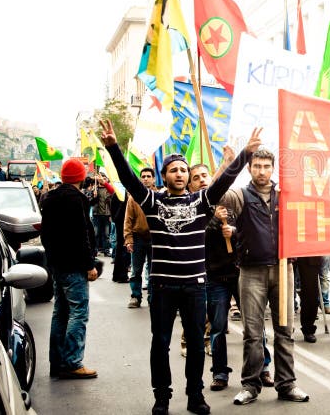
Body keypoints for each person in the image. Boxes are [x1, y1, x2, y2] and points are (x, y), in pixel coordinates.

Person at [100, 119, 262, 415]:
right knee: (160, 343)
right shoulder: (151, 201)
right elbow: (128, 178)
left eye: (183, 170)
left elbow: (224, 180)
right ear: (164, 176)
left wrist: (246, 155)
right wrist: (112, 148)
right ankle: (162, 396)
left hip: (195, 286)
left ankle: (194, 396)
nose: (179, 173)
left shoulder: (202, 201)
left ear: (188, 177)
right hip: (162, 287)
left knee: (198, 347)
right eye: (173, 169)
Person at [228, 148, 310, 405]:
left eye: (266, 166)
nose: (261, 171)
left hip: (283, 268)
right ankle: (250, 385)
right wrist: (232, 163)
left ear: (273, 168)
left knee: (285, 330)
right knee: (253, 334)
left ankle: (287, 384)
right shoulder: (240, 195)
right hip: (251, 272)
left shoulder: (285, 196)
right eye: (256, 166)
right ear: (249, 169)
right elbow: (216, 196)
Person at [40, 158, 99, 379]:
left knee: (61, 313)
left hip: (57, 265)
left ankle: (57, 362)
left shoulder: (49, 198)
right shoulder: (77, 199)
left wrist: (53, 259)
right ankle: (73, 362)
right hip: (74, 266)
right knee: (78, 313)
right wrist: (89, 265)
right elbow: (81, 235)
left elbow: (45, 235)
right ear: (81, 177)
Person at [125, 167, 157, 309]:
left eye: (148, 176)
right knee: (136, 270)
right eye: (143, 176)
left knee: (154, 270)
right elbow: (128, 220)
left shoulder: (160, 196)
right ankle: (135, 296)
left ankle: (153, 297)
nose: (145, 178)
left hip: (155, 239)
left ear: (154, 179)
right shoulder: (133, 197)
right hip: (138, 238)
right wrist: (128, 239)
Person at [297, 255, 325, 343]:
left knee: (310, 291)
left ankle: (308, 328)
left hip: (308, 251)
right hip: (286, 249)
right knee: (283, 289)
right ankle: (283, 328)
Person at [92, 172, 113, 256]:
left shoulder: (109, 190)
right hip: (96, 215)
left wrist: (111, 215)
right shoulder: (94, 189)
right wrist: (94, 196)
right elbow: (90, 202)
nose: (102, 180)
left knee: (106, 234)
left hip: (107, 215)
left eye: (104, 178)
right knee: (96, 233)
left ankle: (106, 250)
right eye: (101, 178)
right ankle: (95, 250)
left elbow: (112, 203)